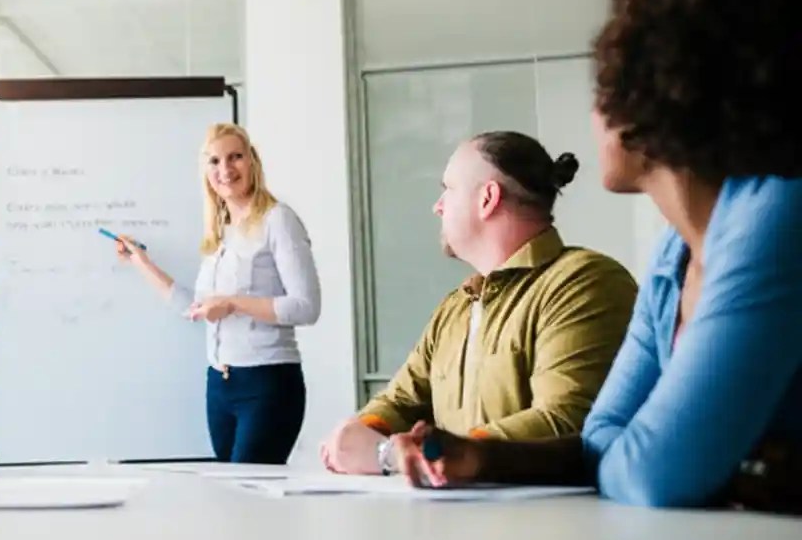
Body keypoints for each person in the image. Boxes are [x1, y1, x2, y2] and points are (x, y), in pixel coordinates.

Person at [389, 0, 802, 513]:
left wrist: (682, 460)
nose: (596, 104)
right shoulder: (675, 253)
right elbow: (600, 438)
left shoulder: (777, 214)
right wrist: (484, 459)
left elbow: (656, 473)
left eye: (610, 74)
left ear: (667, 83)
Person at [321, 131, 638, 475]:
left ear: (487, 198)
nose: (437, 206)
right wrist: (363, 432)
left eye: (447, 189)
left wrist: (429, 454)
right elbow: (403, 400)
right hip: (456, 517)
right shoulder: (457, 306)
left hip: (554, 524)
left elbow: (565, 419)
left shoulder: (584, 282)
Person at [116, 122, 320, 464]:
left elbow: (306, 307)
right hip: (220, 387)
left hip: (267, 384)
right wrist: (141, 263)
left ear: (252, 161)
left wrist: (231, 303)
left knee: (250, 503)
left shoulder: (278, 220)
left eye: (235, 157)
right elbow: (195, 307)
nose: (225, 169)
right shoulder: (220, 233)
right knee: (232, 504)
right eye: (214, 161)